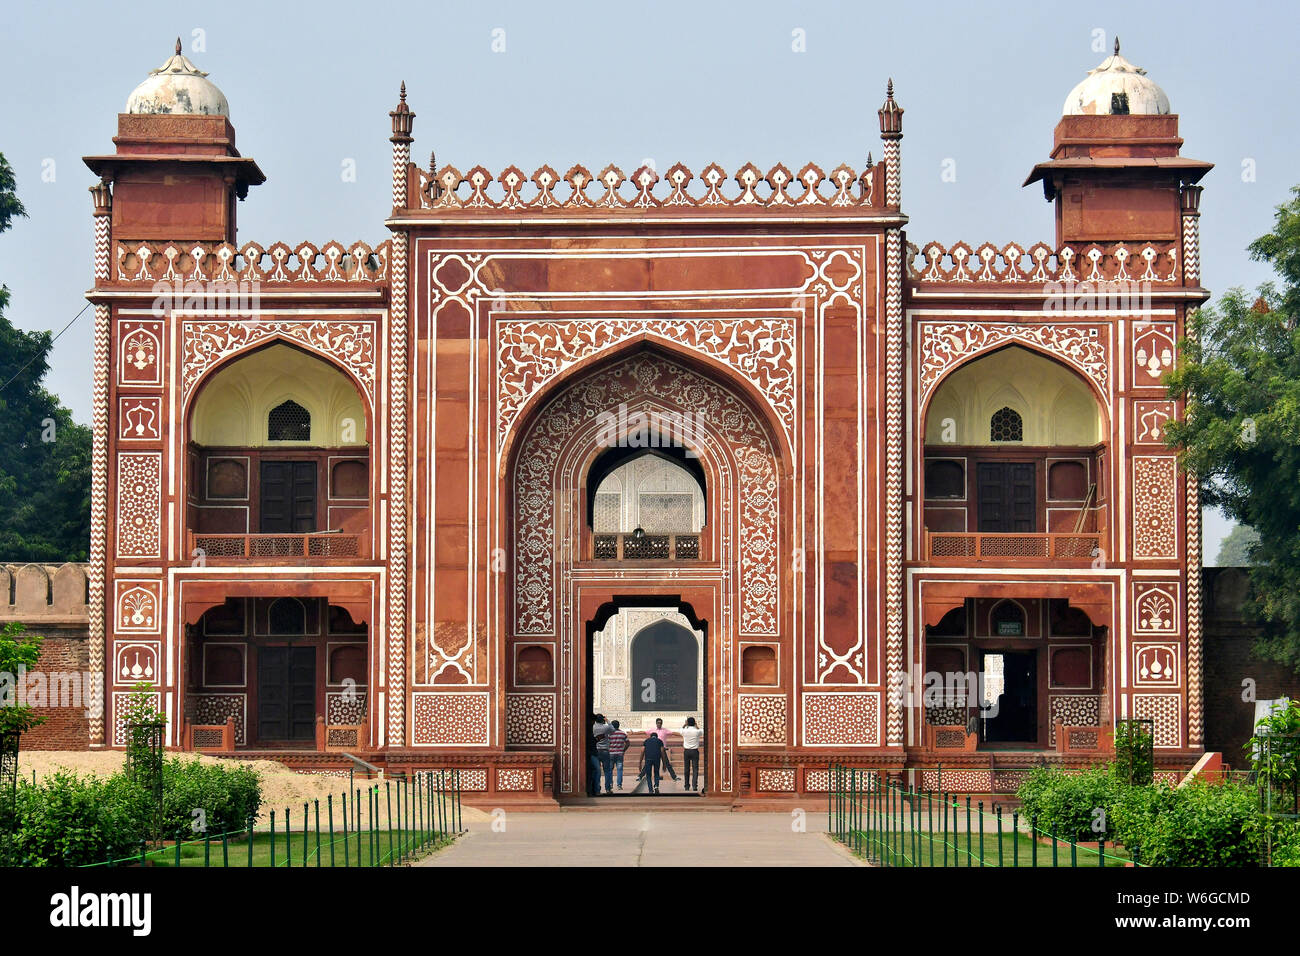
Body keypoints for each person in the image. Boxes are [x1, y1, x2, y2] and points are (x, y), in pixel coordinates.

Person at [591, 714, 614, 796]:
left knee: (597, 771)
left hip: (596, 750)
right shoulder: (606, 727)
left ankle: (597, 790)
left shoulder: (593, 727)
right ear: (602, 720)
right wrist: (607, 720)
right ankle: (608, 789)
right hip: (605, 751)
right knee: (607, 771)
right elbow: (613, 730)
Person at [680, 717, 703, 792]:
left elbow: (680, 729)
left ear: (687, 723)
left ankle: (686, 786)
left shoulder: (684, 731)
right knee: (695, 769)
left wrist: (684, 725)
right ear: (694, 723)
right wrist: (696, 726)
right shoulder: (697, 731)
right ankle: (694, 786)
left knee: (686, 769)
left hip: (686, 751)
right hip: (695, 751)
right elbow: (701, 731)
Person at [639, 728, 665, 794]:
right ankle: (656, 786)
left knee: (648, 775)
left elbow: (642, 751)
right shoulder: (659, 741)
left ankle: (650, 789)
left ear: (650, 736)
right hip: (657, 759)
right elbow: (662, 752)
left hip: (648, 759)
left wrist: (640, 762)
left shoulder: (646, 741)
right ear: (657, 737)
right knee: (656, 773)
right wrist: (664, 763)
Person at [607, 720, 629, 791]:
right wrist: (623, 750)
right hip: (620, 754)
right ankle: (619, 785)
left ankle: (610, 784)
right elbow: (628, 743)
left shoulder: (609, 734)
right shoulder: (623, 733)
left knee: (610, 769)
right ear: (618, 725)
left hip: (611, 754)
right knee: (619, 770)